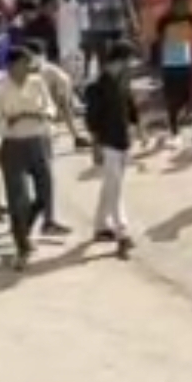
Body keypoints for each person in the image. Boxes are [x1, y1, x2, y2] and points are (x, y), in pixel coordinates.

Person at [0, 44, 59, 271]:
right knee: (17, 198)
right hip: (13, 145)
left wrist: (43, 114)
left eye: (27, 65)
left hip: (37, 141)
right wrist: (12, 120)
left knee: (44, 192)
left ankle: (23, 228)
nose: (25, 69)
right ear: (10, 66)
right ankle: (21, 246)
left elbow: (50, 107)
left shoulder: (37, 83)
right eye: (20, 65)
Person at [84, 40, 139, 259]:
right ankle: (122, 232)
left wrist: (137, 126)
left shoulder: (123, 78)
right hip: (108, 141)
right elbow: (92, 119)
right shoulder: (97, 86)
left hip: (123, 137)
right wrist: (95, 145)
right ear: (120, 60)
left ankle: (100, 225)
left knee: (111, 184)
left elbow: (129, 102)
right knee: (116, 188)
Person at [156, 0, 192, 142]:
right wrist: (160, 65)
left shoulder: (190, 17)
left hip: (186, 61)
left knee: (185, 96)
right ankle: (173, 125)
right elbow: (160, 42)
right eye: (181, 3)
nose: (184, 6)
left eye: (185, 3)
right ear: (174, 3)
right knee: (172, 97)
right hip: (170, 64)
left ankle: (178, 117)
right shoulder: (164, 20)